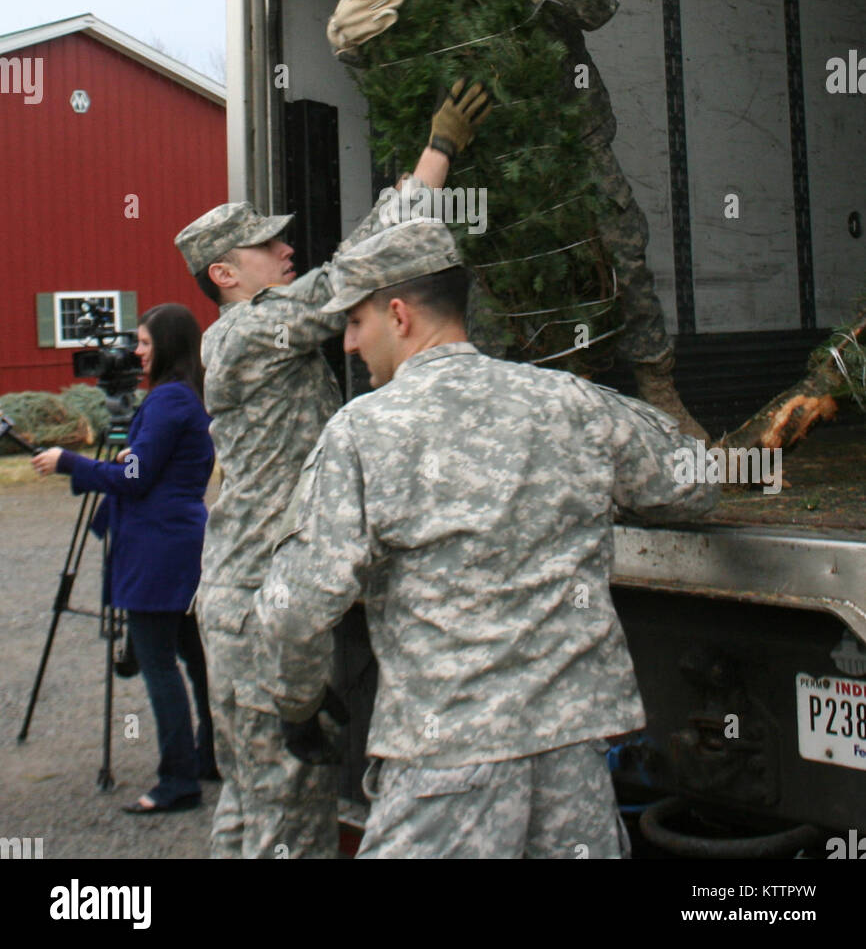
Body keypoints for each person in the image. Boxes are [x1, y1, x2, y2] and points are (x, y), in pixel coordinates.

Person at [254, 218, 720, 860]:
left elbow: (295, 608)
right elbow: (695, 482)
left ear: (399, 314)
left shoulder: (362, 432)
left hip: (446, 765)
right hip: (574, 758)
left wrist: (298, 703)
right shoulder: (568, 401)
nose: (351, 344)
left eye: (356, 323)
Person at [174, 21, 491, 859]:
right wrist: (433, 163)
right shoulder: (241, 334)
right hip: (257, 617)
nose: (286, 246)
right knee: (289, 818)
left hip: (245, 605)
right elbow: (349, 275)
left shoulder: (254, 334)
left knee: (250, 806)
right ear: (225, 276)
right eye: (266, 244)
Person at [447, 0, 708, 441]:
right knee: (490, 271)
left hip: (571, 127)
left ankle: (659, 388)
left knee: (624, 252)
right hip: (488, 136)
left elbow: (597, 3)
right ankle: (491, 420)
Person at [33, 304, 216, 814]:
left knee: (159, 665)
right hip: (179, 545)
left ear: (167, 348)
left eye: (144, 344)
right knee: (195, 661)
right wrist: (127, 457)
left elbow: (134, 480)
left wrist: (67, 461)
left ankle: (178, 781)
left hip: (157, 550)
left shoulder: (166, 402)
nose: (135, 353)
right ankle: (209, 754)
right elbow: (147, 467)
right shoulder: (186, 399)